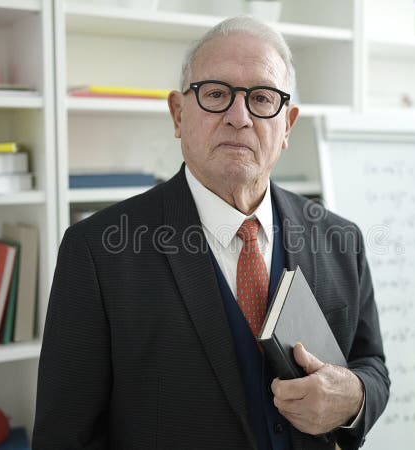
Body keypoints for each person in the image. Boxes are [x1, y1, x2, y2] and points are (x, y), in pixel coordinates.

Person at [33, 16, 390, 450]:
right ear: (178, 114)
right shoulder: (96, 254)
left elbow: (371, 364)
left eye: (261, 98)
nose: (238, 117)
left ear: (288, 126)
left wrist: (354, 398)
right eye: (217, 94)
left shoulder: (342, 240)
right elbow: (65, 437)